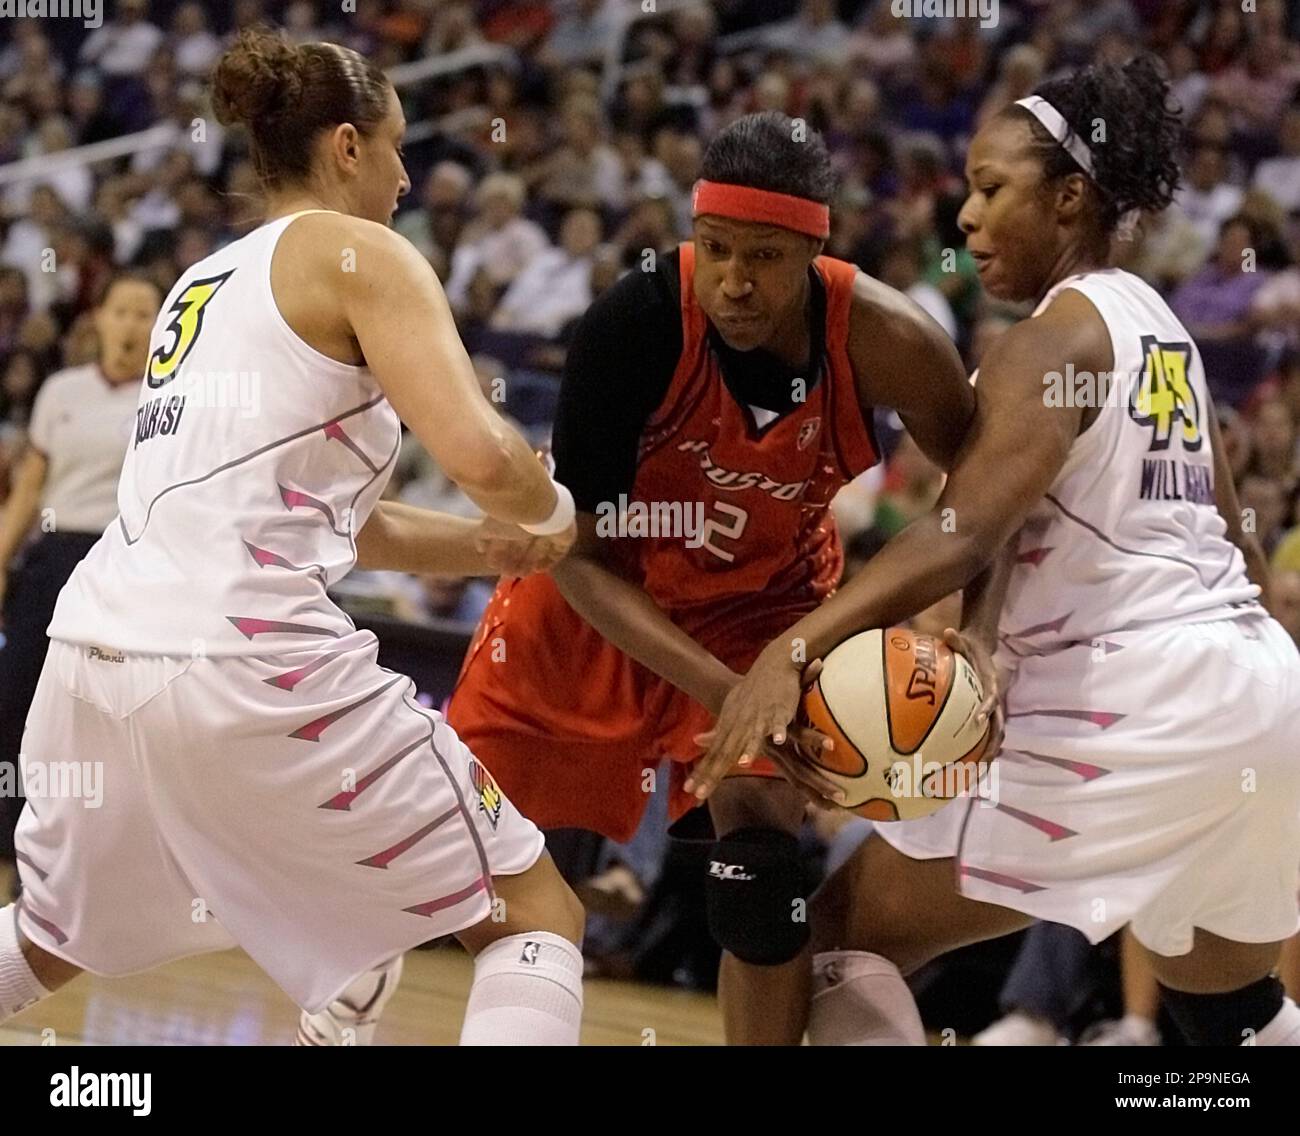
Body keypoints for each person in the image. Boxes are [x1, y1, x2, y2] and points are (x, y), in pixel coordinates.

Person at [0, 28, 586, 1049]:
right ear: (348, 146)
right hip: (240, 663)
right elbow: (484, 454)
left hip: (92, 659)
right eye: (398, 147)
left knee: (49, 936)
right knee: (532, 910)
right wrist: (551, 510)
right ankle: (352, 969)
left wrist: (491, 547)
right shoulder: (358, 252)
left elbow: (327, 520)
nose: (409, 174)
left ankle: (348, 969)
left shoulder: (199, 284)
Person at [700, 56, 1300, 1047]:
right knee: (1227, 1013)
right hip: (1262, 702)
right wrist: (983, 629)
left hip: (1134, 704)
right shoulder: (1162, 330)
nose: (965, 219)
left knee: (833, 938)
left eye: (990, 190)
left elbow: (963, 528)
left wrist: (793, 647)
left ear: (1068, 197)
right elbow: (1226, 535)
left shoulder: (1048, 343)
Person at [447, 111, 977, 1044]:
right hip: (603, 590)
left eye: (766, 257)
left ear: (817, 245)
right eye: (716, 246)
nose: (734, 280)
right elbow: (574, 546)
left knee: (764, 873)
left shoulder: (890, 338)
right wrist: (729, 692)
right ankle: (345, 996)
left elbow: (979, 493)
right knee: (444, 839)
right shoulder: (638, 320)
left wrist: (945, 618)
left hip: (766, 605)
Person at [0, 272, 161, 896]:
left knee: (104, 723)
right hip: (50, 563)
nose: (130, 324)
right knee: (17, 710)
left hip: (123, 566)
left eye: (145, 313)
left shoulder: (167, 397)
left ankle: (94, 869)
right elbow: (28, 492)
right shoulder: (61, 390)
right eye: (120, 311)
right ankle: (21, 860)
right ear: (99, 320)